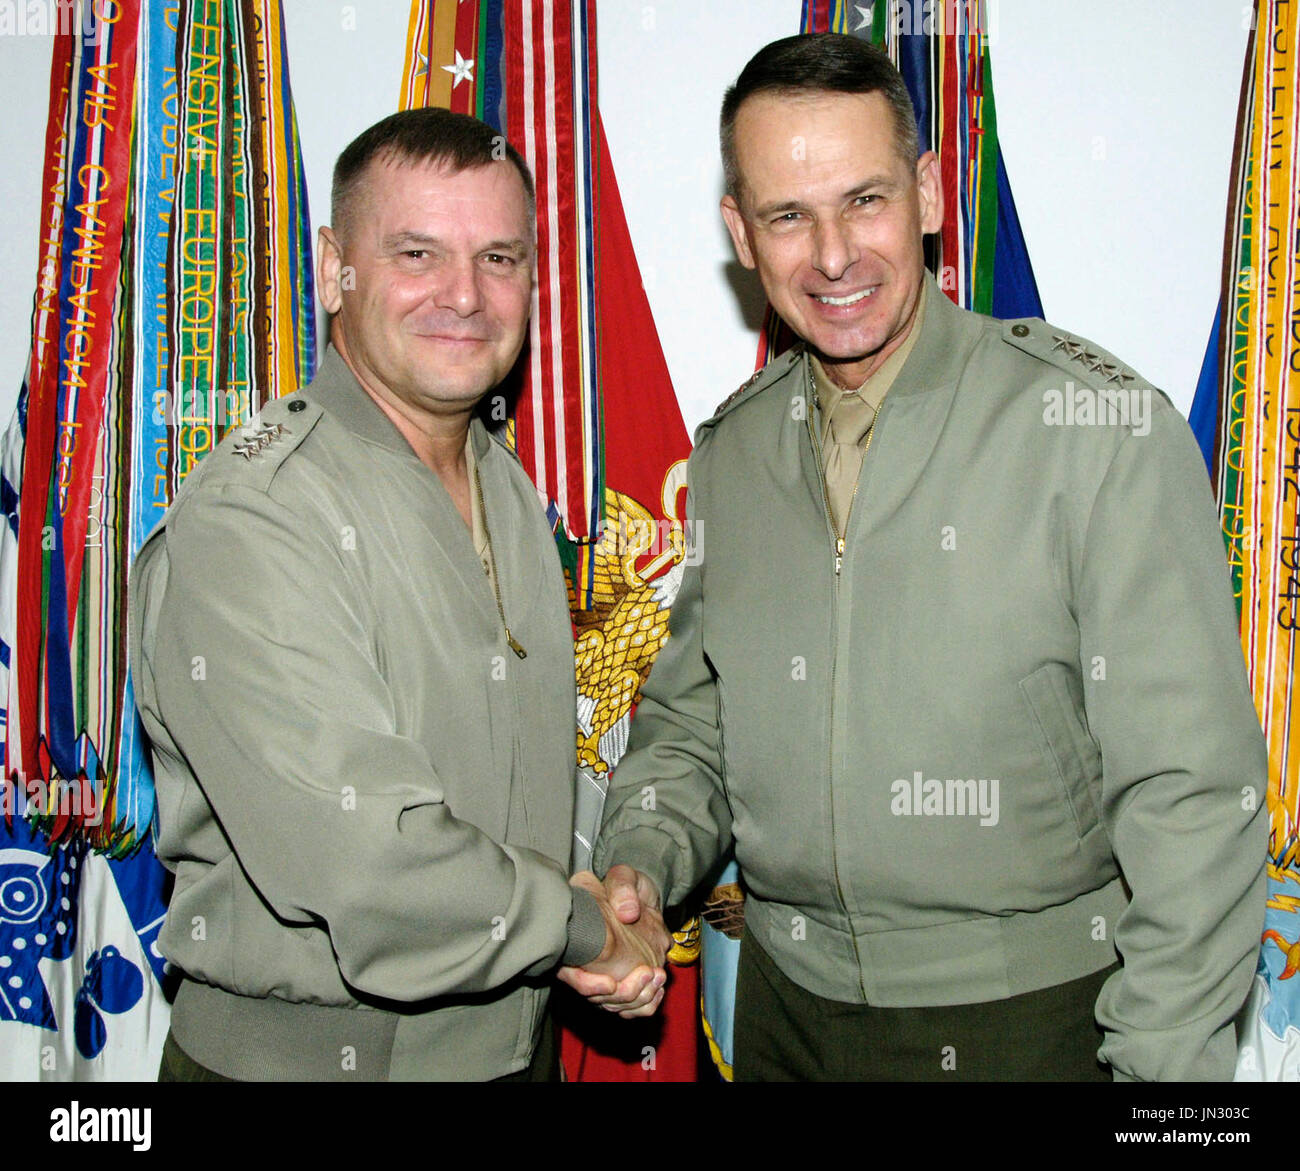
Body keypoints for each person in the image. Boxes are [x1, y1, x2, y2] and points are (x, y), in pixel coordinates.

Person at [565, 33, 1268, 1081]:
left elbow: (1194, 798)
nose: (834, 255)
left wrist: (1164, 1083)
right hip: (779, 1021)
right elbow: (692, 728)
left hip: (1033, 1020)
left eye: (864, 200)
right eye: (787, 216)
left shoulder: (1093, 430)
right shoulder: (733, 452)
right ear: (739, 236)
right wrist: (638, 864)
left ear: (931, 194)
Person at [128, 107, 668, 1082]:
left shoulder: (506, 492)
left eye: (499, 258)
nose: (463, 294)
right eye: (417, 252)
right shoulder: (258, 517)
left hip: (516, 1047)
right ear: (336, 264)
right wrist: (589, 930)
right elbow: (367, 862)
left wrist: (621, 874)